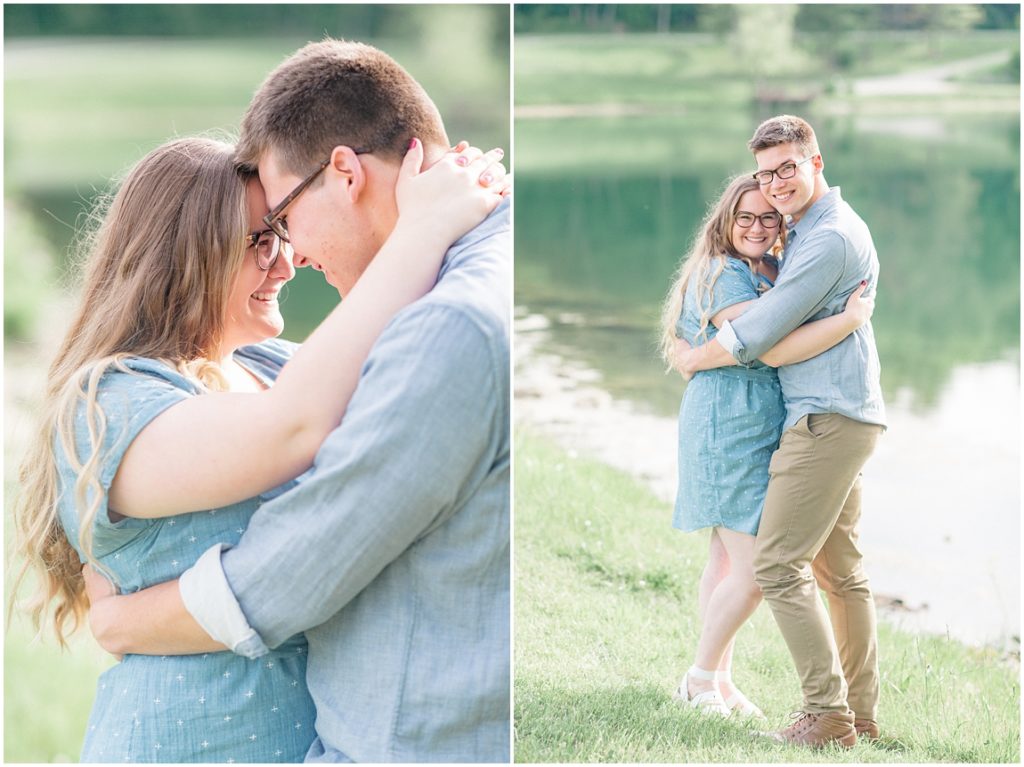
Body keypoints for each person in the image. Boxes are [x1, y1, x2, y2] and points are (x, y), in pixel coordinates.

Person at [10, 132, 505, 764]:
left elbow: (412, 382)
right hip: (182, 744)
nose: (288, 261)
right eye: (259, 241)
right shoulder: (108, 405)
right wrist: (423, 230)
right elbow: (291, 429)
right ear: (183, 255)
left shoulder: (274, 366)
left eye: (283, 232)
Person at [674, 115, 886, 747]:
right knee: (840, 573)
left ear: (815, 161)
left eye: (787, 168)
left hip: (826, 418)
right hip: (835, 413)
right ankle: (860, 716)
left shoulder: (827, 239)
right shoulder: (805, 232)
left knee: (777, 561)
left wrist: (696, 356)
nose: (776, 185)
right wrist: (846, 323)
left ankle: (826, 716)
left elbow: (761, 339)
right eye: (767, 174)